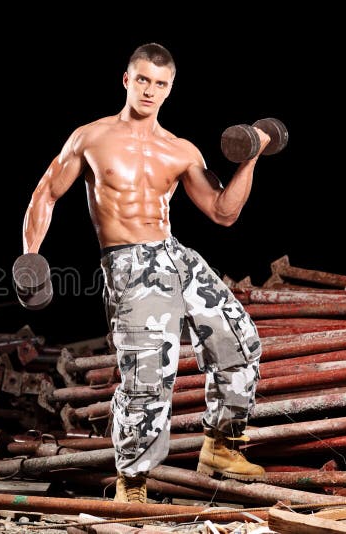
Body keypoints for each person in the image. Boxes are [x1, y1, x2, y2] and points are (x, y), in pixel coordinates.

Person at [21, 43, 269, 504]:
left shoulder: (180, 149)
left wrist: (252, 156)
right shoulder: (90, 137)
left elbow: (223, 213)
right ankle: (131, 484)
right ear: (126, 80)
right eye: (142, 80)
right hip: (128, 263)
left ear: (170, 88)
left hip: (174, 253)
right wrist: (31, 255)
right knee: (148, 377)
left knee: (239, 341)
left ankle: (220, 445)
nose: (150, 90)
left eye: (160, 83)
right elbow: (46, 193)